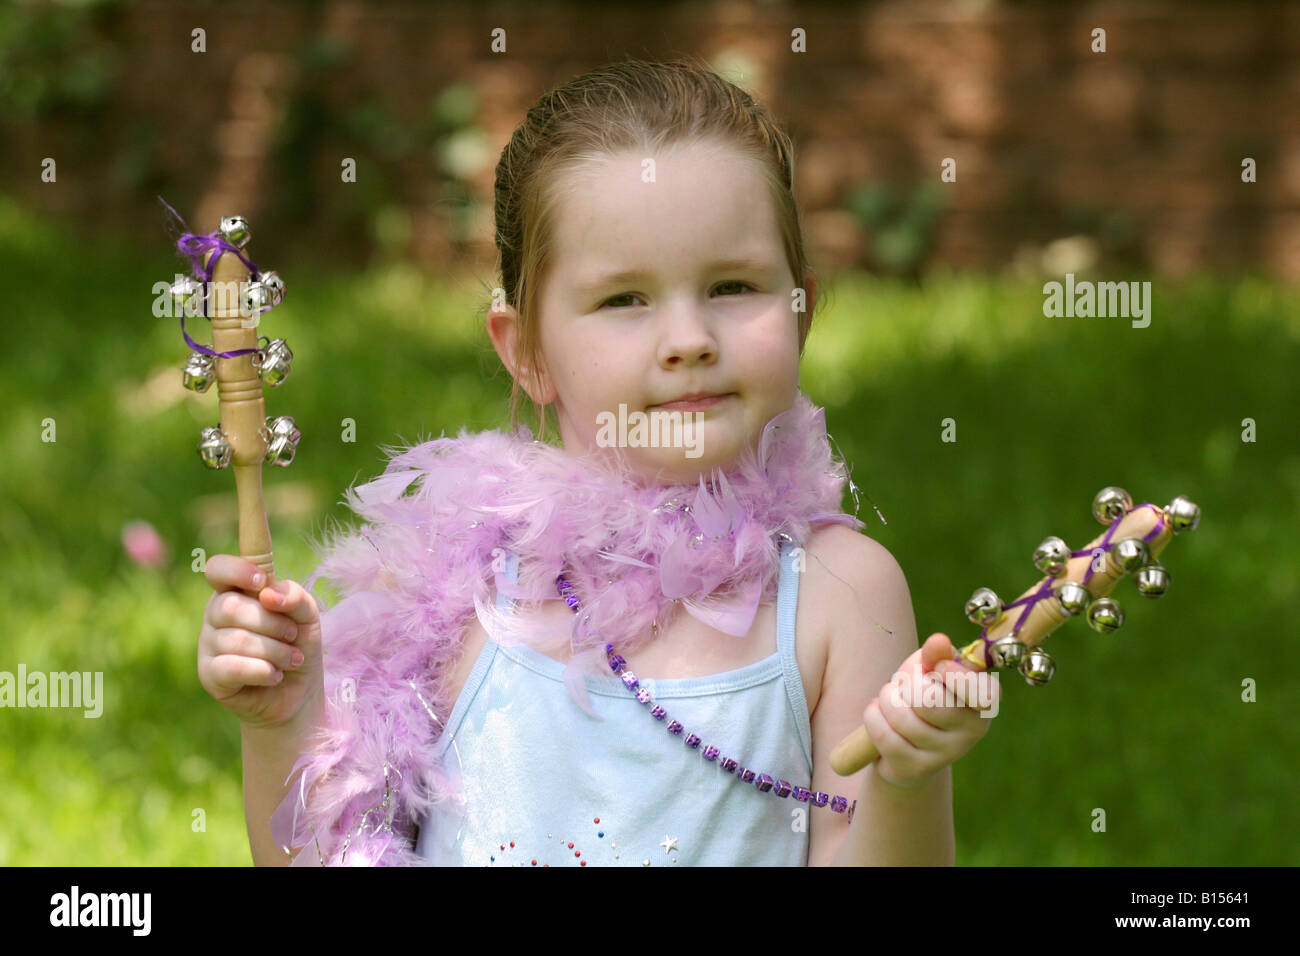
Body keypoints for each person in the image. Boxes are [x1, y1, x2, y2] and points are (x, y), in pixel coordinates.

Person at [196, 56, 999, 867]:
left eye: (732, 286)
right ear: (528, 353)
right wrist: (283, 729)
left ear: (803, 309)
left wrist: (906, 775)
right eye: (625, 299)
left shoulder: (839, 595)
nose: (689, 340)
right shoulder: (454, 591)